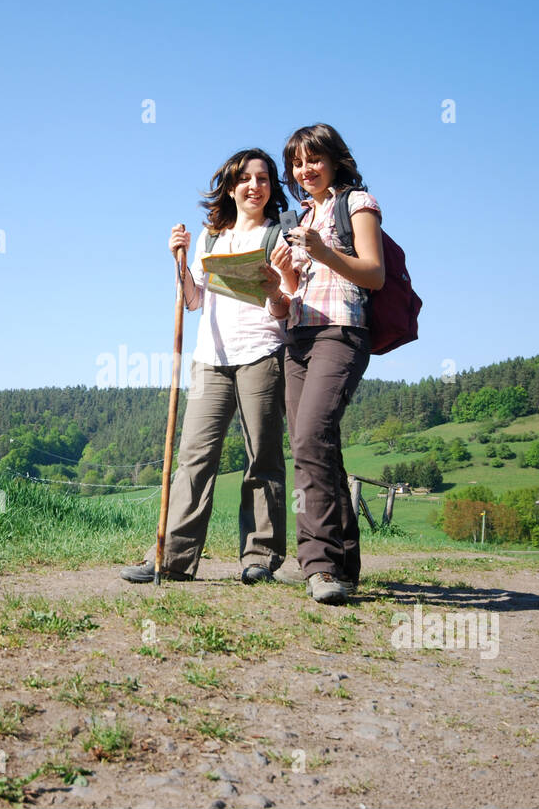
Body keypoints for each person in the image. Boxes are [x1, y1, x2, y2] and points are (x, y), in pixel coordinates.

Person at [121, 148, 293, 584]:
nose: (255, 186)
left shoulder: (280, 237)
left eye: (264, 179)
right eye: (246, 179)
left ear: (271, 188)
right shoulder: (211, 238)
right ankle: (172, 558)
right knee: (194, 457)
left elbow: (285, 310)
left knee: (262, 456)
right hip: (211, 359)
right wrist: (178, 262)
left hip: (262, 353)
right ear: (231, 187)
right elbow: (194, 300)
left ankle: (259, 557)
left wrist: (274, 289)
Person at [267, 123, 385, 605]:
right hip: (297, 336)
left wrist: (323, 251)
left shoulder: (357, 203)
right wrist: (282, 281)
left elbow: (373, 274)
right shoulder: (299, 218)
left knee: (313, 434)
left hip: (342, 330)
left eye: (313, 159)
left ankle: (317, 565)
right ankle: (342, 563)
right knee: (311, 445)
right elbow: (287, 298)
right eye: (296, 163)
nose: (304, 170)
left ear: (335, 160)